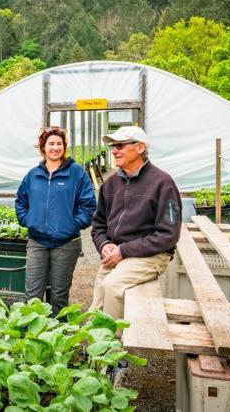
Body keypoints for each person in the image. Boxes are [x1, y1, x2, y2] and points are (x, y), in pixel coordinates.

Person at [90, 125, 181, 320]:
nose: (114, 151)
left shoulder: (163, 183)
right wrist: (104, 244)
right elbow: (98, 225)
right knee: (100, 289)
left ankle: (113, 345)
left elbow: (168, 235)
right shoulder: (110, 184)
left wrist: (124, 251)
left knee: (113, 286)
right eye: (113, 146)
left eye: (120, 145)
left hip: (151, 255)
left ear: (140, 148)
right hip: (117, 253)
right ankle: (94, 343)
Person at [16, 126, 96, 317]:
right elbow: (21, 201)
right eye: (51, 143)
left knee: (59, 294)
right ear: (43, 147)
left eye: (59, 144)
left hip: (66, 243)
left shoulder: (76, 173)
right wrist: (29, 221)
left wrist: (72, 225)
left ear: (64, 147)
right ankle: (32, 337)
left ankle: (56, 338)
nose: (55, 147)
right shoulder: (33, 175)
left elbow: (89, 205)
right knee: (32, 294)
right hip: (37, 242)